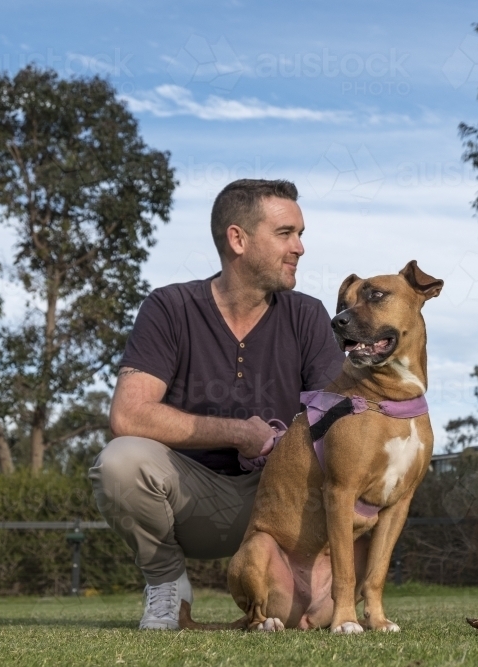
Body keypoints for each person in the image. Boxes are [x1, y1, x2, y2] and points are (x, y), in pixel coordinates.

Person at [89, 179, 344, 630]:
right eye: (286, 233)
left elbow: (336, 424)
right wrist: (237, 433)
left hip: (280, 505)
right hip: (193, 502)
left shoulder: (307, 315)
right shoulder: (169, 307)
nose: (300, 247)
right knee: (119, 461)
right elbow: (128, 414)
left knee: (304, 616)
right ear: (237, 239)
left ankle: (325, 588)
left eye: (301, 234)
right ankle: (168, 586)